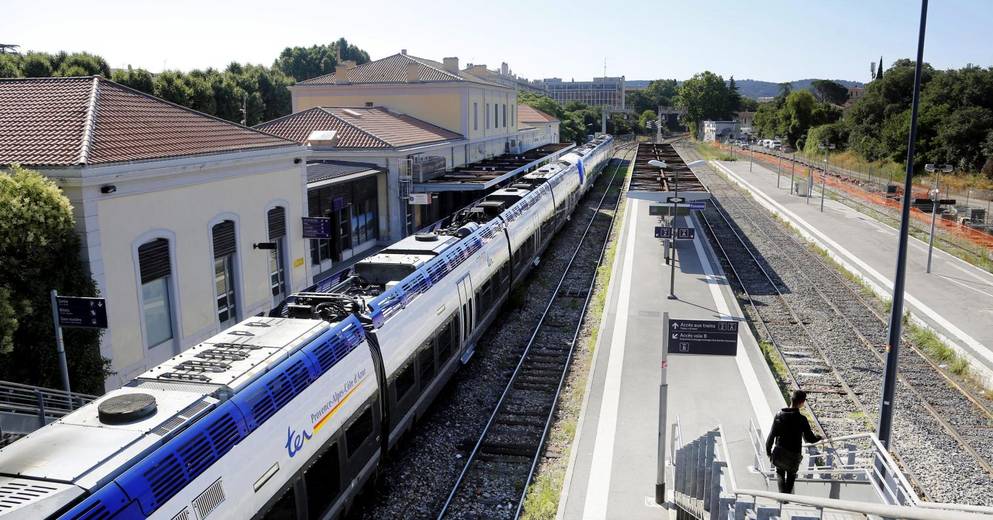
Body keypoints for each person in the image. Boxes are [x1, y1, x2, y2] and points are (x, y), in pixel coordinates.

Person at [765, 390, 822, 494]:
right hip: (794, 455)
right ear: (802, 402)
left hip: (780, 452)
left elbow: (772, 435)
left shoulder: (779, 415)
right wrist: (819, 437)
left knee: (780, 473)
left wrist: (768, 452)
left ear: (791, 399)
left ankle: (782, 498)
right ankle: (786, 498)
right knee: (791, 476)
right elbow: (810, 439)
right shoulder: (802, 419)